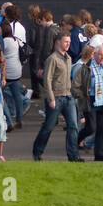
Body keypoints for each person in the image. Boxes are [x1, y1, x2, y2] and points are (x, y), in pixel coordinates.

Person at [33, 31, 82, 161]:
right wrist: (51, 98)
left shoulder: (69, 58)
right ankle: (37, 152)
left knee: (73, 126)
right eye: (66, 42)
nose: (68, 44)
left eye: (69, 42)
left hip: (68, 96)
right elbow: (47, 79)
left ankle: (73, 156)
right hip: (56, 97)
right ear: (58, 42)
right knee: (48, 126)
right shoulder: (52, 59)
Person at [74, 42, 103, 161]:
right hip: (90, 100)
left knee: (102, 128)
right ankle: (74, 141)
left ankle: (99, 155)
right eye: (100, 55)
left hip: (102, 101)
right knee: (91, 127)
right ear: (94, 55)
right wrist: (81, 96)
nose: (102, 57)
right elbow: (76, 85)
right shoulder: (86, 68)